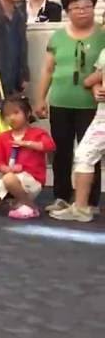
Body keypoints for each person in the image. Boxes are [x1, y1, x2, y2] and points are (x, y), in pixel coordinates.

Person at [33, 0, 105, 214]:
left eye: (88, 7)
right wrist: (40, 98)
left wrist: (95, 84)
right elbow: (47, 69)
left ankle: (90, 202)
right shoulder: (58, 36)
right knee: (62, 151)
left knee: (90, 154)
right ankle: (61, 197)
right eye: (76, 8)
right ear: (67, 11)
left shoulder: (103, 35)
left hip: (91, 104)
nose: (83, 11)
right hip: (61, 100)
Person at [50, 46, 105, 222]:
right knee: (84, 155)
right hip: (102, 117)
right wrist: (96, 86)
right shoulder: (103, 53)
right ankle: (81, 208)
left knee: (84, 156)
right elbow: (92, 79)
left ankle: (82, 208)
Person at [0, 95, 55, 219]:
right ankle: (14, 202)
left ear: (27, 113)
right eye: (7, 115)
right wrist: (7, 169)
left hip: (32, 180)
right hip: (11, 178)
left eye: (16, 113)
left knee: (9, 179)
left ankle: (30, 206)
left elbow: (49, 146)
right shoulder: (2, 138)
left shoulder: (38, 133)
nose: (11, 118)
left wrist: (27, 144)